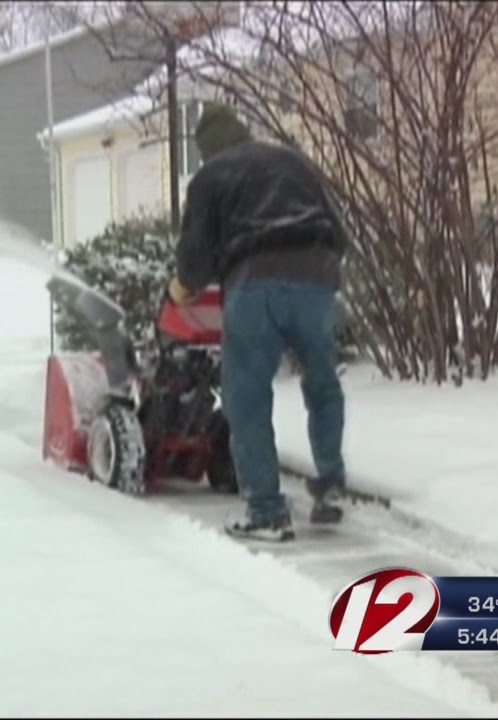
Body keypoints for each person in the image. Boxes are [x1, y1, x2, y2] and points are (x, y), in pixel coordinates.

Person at [169, 103, 348, 542]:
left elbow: (196, 254)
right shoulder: (294, 162)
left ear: (208, 148)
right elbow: (339, 232)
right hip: (318, 280)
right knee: (323, 384)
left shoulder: (211, 177)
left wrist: (183, 286)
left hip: (256, 284)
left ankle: (266, 512)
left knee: (246, 395)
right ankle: (330, 486)